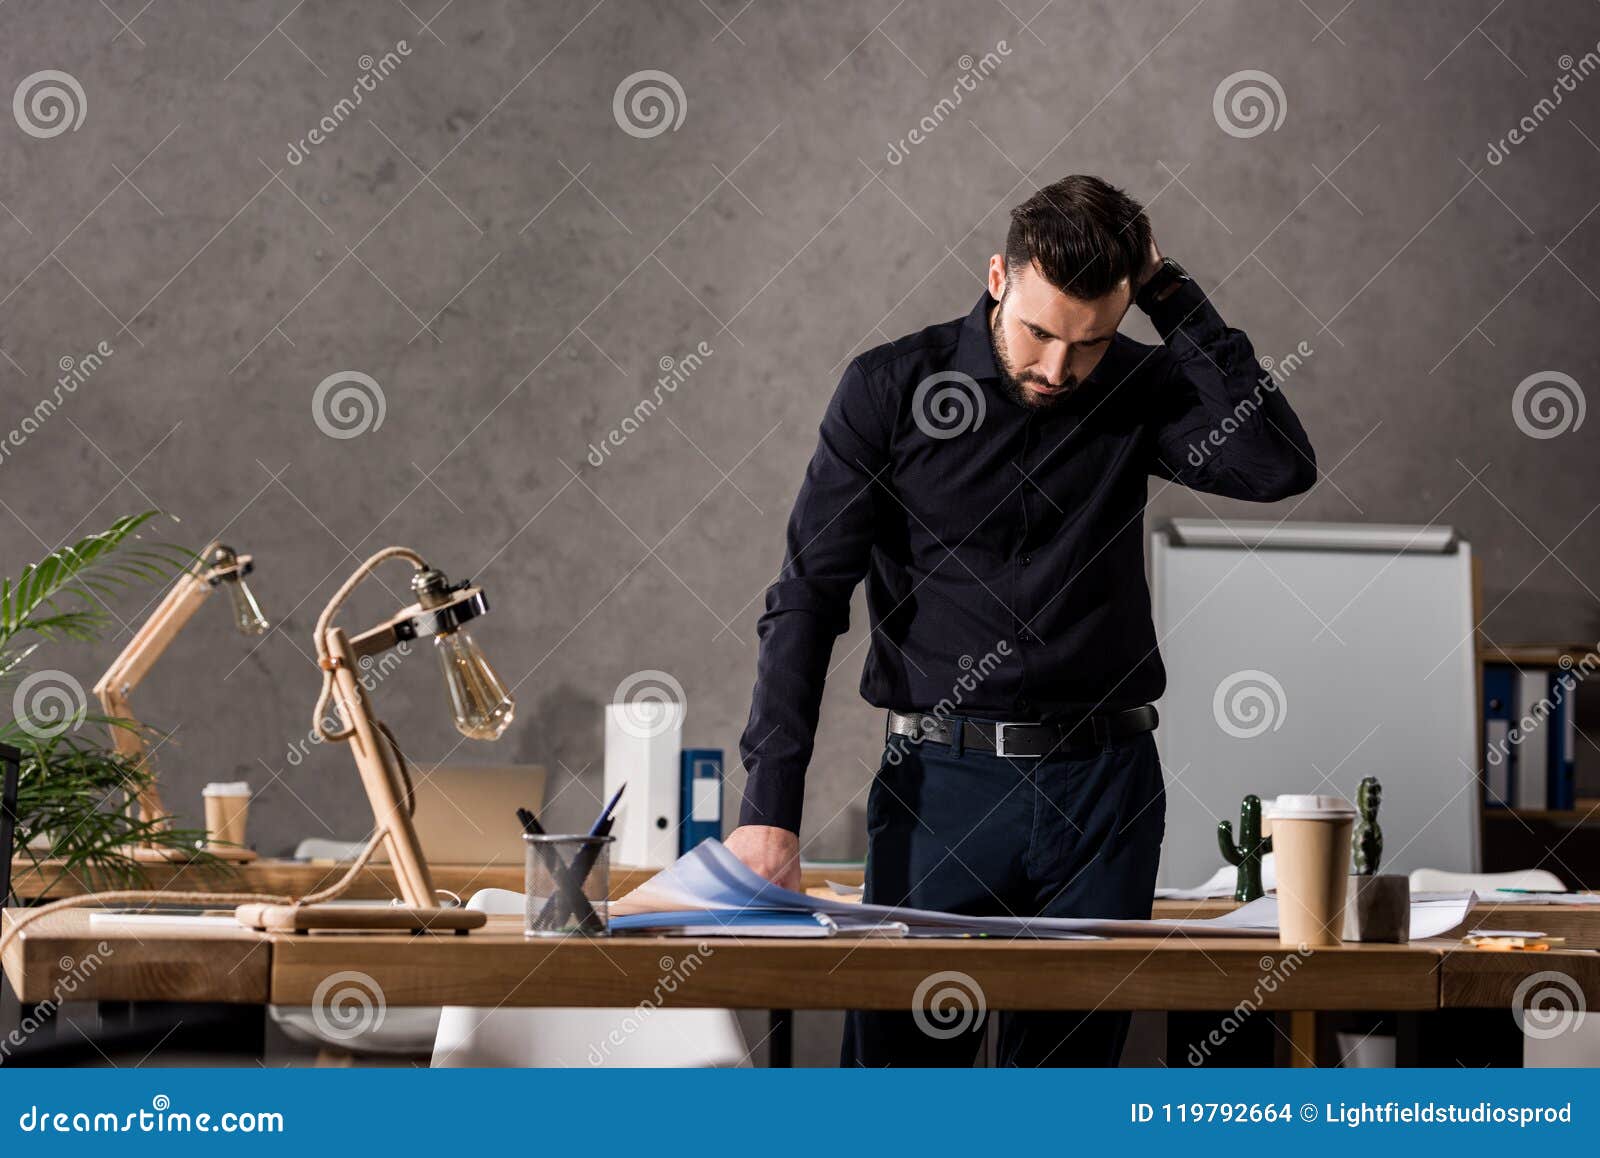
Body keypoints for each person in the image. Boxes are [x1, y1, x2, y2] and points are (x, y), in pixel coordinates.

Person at [725, 174, 1317, 1066]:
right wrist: (768, 810)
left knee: (1062, 1110)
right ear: (998, 277)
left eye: (1090, 342)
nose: (1057, 370)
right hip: (942, 788)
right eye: (1041, 333)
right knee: (897, 1105)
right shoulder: (890, 388)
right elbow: (807, 597)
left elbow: (1276, 467)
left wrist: (1172, 296)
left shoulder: (1133, 385)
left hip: (1104, 793)